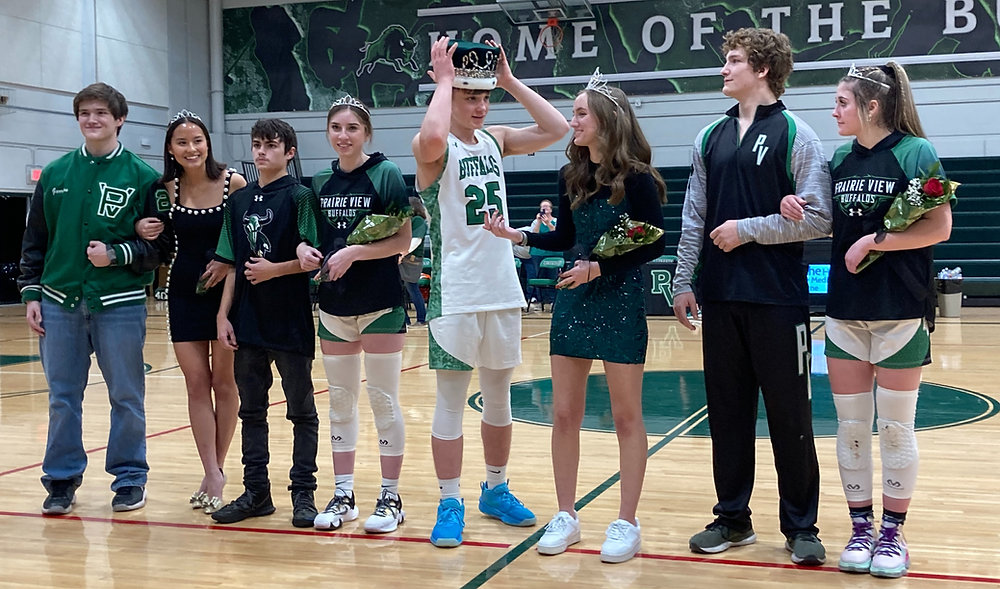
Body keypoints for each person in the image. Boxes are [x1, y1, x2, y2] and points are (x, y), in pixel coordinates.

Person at [484, 69, 667, 563]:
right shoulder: (571, 175)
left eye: (581, 113)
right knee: (564, 414)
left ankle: (627, 521)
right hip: (575, 297)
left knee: (627, 416)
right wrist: (517, 236)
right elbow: (565, 238)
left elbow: (654, 240)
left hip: (619, 297)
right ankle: (566, 514)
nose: (572, 120)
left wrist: (600, 267)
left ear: (608, 120)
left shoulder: (639, 180)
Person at [781, 62, 953, 578]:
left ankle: (893, 536)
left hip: (900, 310)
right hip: (845, 312)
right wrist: (797, 207)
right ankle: (860, 528)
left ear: (870, 106)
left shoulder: (916, 152)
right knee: (852, 429)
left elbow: (938, 227)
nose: (834, 111)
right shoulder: (838, 158)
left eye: (841, 102)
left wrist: (877, 241)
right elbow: (827, 220)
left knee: (896, 430)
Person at [671, 28, 833, 566]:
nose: (724, 69)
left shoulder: (798, 135)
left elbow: (819, 218)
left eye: (734, 60)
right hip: (720, 296)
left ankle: (801, 526)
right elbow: (694, 214)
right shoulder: (708, 137)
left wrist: (750, 228)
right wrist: (683, 279)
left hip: (778, 299)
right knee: (728, 413)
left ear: (762, 69)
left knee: (791, 415)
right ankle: (732, 518)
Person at [411, 37, 569, 547]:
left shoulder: (496, 138)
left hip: (500, 287)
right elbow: (433, 136)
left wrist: (508, 81)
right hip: (455, 292)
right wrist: (441, 82)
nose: (479, 107)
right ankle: (449, 498)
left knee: (497, 400)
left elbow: (557, 129)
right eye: (469, 96)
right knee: (451, 402)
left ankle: (495, 489)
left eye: (484, 98)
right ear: (451, 94)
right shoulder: (432, 148)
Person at [18, 82, 166, 514]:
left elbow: (158, 251)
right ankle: (61, 479)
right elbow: (35, 242)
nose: (92, 120)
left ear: (119, 119)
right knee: (63, 397)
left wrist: (117, 253)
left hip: (119, 304)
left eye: (101, 113)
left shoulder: (143, 177)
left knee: (126, 395)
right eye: (85, 113)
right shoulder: (56, 174)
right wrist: (31, 293)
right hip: (58, 303)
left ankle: (129, 477)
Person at [295, 96, 413, 533]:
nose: (343, 136)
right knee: (341, 402)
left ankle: (390, 497)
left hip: (380, 302)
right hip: (334, 306)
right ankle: (343, 493)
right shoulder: (320, 178)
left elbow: (402, 241)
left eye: (352, 128)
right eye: (336, 128)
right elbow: (314, 238)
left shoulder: (386, 174)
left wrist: (356, 253)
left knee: (383, 402)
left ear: (366, 133)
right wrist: (307, 252)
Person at [209, 118, 321, 528]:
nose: (261, 151)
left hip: (289, 320)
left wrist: (277, 269)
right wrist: (223, 314)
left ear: (289, 152)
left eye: (271, 145)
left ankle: (303, 494)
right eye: (257, 144)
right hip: (247, 319)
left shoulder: (301, 196)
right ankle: (256, 492)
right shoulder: (237, 202)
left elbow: (312, 257)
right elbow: (232, 264)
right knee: (251, 411)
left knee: (301, 411)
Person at [135, 110, 246, 515]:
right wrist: (142, 230)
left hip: (227, 296)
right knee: (196, 384)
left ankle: (216, 468)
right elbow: (156, 243)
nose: (191, 148)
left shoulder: (233, 183)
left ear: (207, 142)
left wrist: (227, 262)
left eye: (197, 140)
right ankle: (213, 472)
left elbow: (249, 240)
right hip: (182, 292)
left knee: (225, 383)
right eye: (182, 142)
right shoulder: (163, 188)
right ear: (170, 149)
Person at [523, 199, 559, 309]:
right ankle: (542, 300)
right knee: (538, 276)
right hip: (538, 253)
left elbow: (556, 234)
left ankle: (553, 300)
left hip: (553, 252)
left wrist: (548, 223)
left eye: (547, 207)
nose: (545, 209)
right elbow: (534, 234)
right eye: (542, 207)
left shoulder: (556, 221)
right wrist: (539, 222)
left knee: (553, 276)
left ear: (551, 209)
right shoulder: (535, 222)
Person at [400, 196, 428, 327]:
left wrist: (401, 254)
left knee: (412, 289)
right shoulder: (408, 221)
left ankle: (421, 319)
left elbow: (416, 241)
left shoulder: (418, 221)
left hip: (411, 260)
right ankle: (405, 320)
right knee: (401, 290)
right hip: (404, 259)